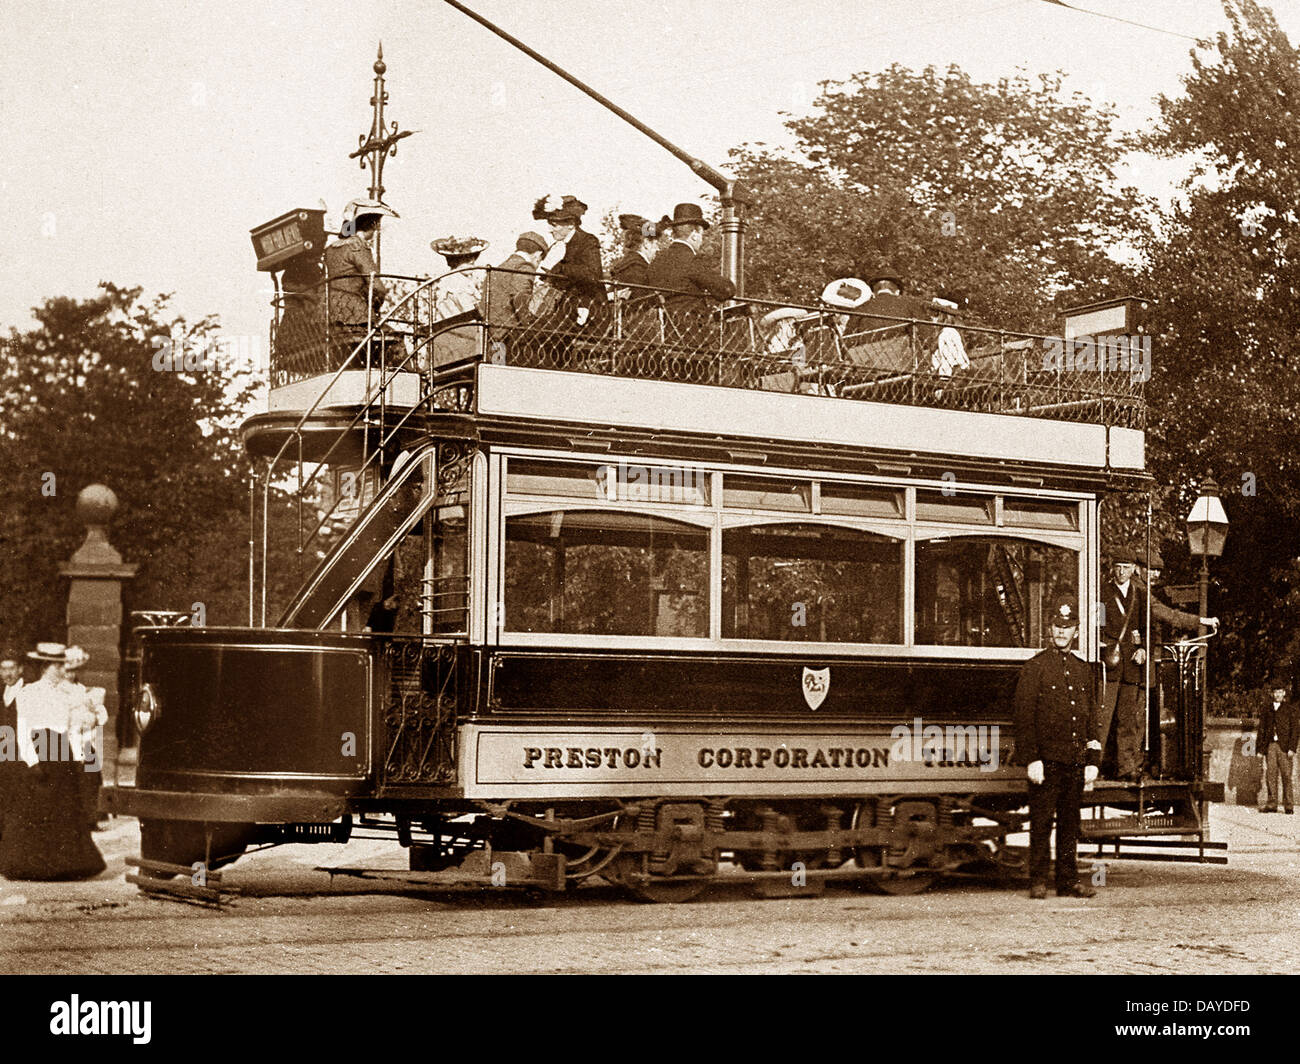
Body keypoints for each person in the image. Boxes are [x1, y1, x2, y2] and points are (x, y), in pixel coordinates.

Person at [1012, 594, 1102, 899]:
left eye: (1067, 626)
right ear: (1050, 629)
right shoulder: (1035, 667)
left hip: (1074, 760)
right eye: (1057, 625)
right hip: (1046, 761)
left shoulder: (1082, 669)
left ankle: (1067, 881)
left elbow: (1091, 718)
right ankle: (1038, 880)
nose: (1061, 631)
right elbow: (1024, 718)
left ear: (1076, 630)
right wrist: (1032, 759)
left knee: (1069, 824)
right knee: (1041, 823)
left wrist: (1093, 760)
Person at [0, 643, 105, 881]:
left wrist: (79, 759)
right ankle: (33, 866)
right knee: (36, 811)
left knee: (65, 810)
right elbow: (23, 729)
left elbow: (70, 730)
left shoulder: (65, 693)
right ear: (46, 666)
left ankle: (64, 866)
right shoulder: (29, 692)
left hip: (62, 754)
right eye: (58, 665)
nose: (62, 669)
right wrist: (32, 761)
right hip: (40, 752)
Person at [1135, 546, 1219, 774]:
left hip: (1149, 660)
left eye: (1158, 572)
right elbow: (1167, 615)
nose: (1155, 575)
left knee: (1149, 709)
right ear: (1139, 569)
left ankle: (1146, 760)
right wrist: (1201, 620)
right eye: (1151, 570)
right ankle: (1140, 761)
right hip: (1140, 661)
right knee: (1142, 710)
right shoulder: (1139, 591)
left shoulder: (1144, 590)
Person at [323, 198, 396, 367]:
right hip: (355, 314)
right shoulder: (358, 247)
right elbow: (377, 287)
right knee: (394, 339)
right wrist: (374, 308)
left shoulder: (332, 249)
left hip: (332, 314)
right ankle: (414, 378)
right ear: (371, 225)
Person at [1099, 555, 1146, 780]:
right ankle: (1095, 766)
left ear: (1133, 569)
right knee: (1103, 718)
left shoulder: (1141, 594)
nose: (1120, 572)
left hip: (1131, 667)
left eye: (1125, 567)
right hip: (1110, 663)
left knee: (1127, 720)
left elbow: (1148, 628)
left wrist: (1144, 648)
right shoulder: (1102, 592)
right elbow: (1098, 623)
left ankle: (1125, 768)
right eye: (1117, 567)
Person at [646, 203, 736, 312]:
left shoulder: (656, 261)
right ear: (694, 234)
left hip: (662, 325)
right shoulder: (691, 260)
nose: (701, 240)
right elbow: (727, 290)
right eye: (701, 235)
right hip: (690, 325)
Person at [62, 645, 108, 831]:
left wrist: (94, 715)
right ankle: (74, 818)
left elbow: (98, 714)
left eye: (73, 671)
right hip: (69, 737)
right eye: (67, 671)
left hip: (86, 738)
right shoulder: (60, 691)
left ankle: (91, 817)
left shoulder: (83, 690)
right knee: (72, 779)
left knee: (90, 778)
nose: (70, 675)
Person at [430, 236, 489, 368]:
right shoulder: (456, 282)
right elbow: (470, 311)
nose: (473, 266)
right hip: (459, 339)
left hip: (457, 336)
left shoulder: (458, 281)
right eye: (469, 262)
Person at [480, 231, 547, 338]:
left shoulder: (501, 267)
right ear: (538, 254)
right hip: (509, 334)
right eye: (540, 261)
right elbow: (520, 298)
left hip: (491, 331)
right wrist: (532, 327)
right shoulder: (524, 267)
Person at [1255, 681, 1297, 813]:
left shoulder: (1290, 709)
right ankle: (1272, 804)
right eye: (1275, 692)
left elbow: (1295, 730)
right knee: (1271, 775)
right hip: (1271, 746)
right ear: (1272, 694)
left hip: (1284, 747)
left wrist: (1292, 748)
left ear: (1284, 693)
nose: (1278, 694)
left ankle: (1289, 805)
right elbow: (1262, 729)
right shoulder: (1267, 709)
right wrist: (1260, 750)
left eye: (1280, 692)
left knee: (1286, 775)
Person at [0, 650, 23, 842]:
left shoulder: (28, 692)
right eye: (4, 669)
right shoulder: (1, 692)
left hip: (20, 756)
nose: (8, 674)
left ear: (20, 669)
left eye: (12, 668)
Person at [610, 214, 661, 288]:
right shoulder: (639, 269)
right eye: (656, 244)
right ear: (646, 243)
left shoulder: (626, 264)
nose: (657, 249)